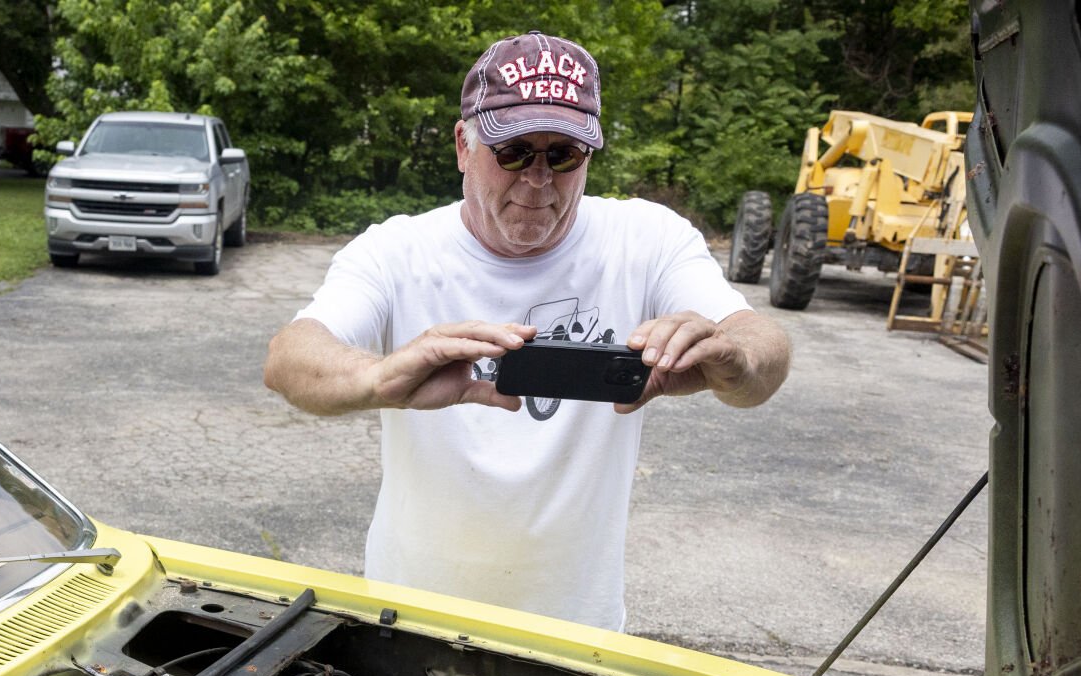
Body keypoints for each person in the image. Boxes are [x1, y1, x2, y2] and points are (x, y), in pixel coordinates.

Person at [264, 32, 791, 631]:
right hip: (409, 618)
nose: (538, 181)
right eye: (513, 151)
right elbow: (288, 359)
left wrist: (734, 361)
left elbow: (763, 351)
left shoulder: (648, 240)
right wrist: (380, 377)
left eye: (563, 155)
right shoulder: (396, 250)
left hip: (577, 628)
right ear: (464, 145)